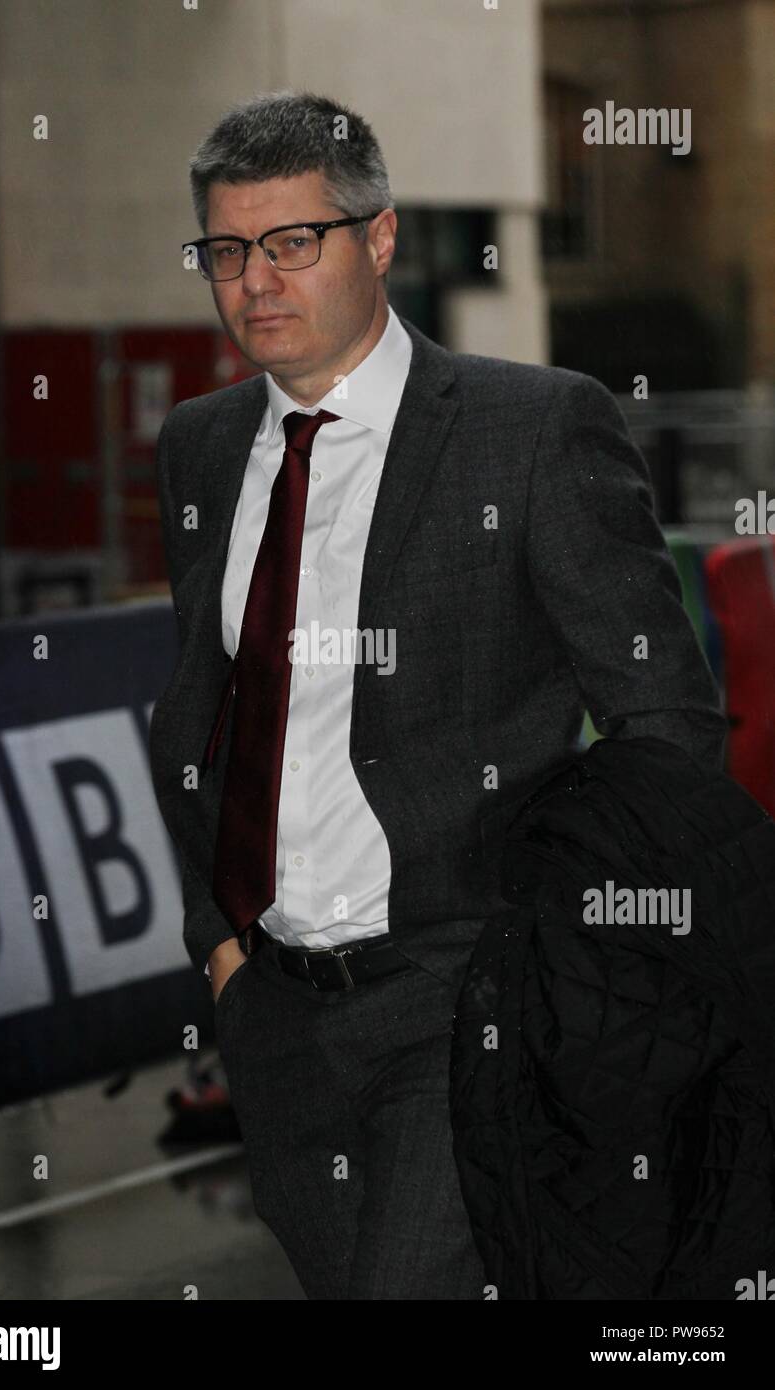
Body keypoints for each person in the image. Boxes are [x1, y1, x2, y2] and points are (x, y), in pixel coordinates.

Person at [149, 90, 727, 1300]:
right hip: (276, 1015)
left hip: (464, 996)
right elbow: (199, 708)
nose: (255, 280)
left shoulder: (529, 431)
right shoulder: (201, 447)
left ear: (378, 238)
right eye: (226, 250)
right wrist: (219, 948)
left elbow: (662, 726)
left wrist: (574, 972)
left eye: (293, 241)